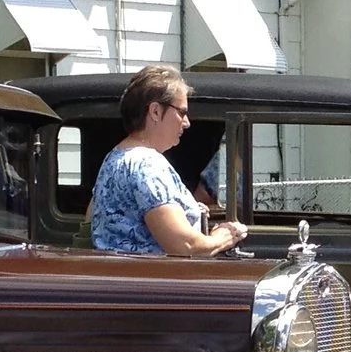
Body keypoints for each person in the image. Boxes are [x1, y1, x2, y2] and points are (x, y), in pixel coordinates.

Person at [89, 64, 246, 257]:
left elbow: (94, 216)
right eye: (181, 112)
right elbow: (185, 245)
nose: (187, 122)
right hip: (151, 281)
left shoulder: (115, 157)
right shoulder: (147, 165)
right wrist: (223, 237)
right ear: (155, 111)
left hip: (122, 278)